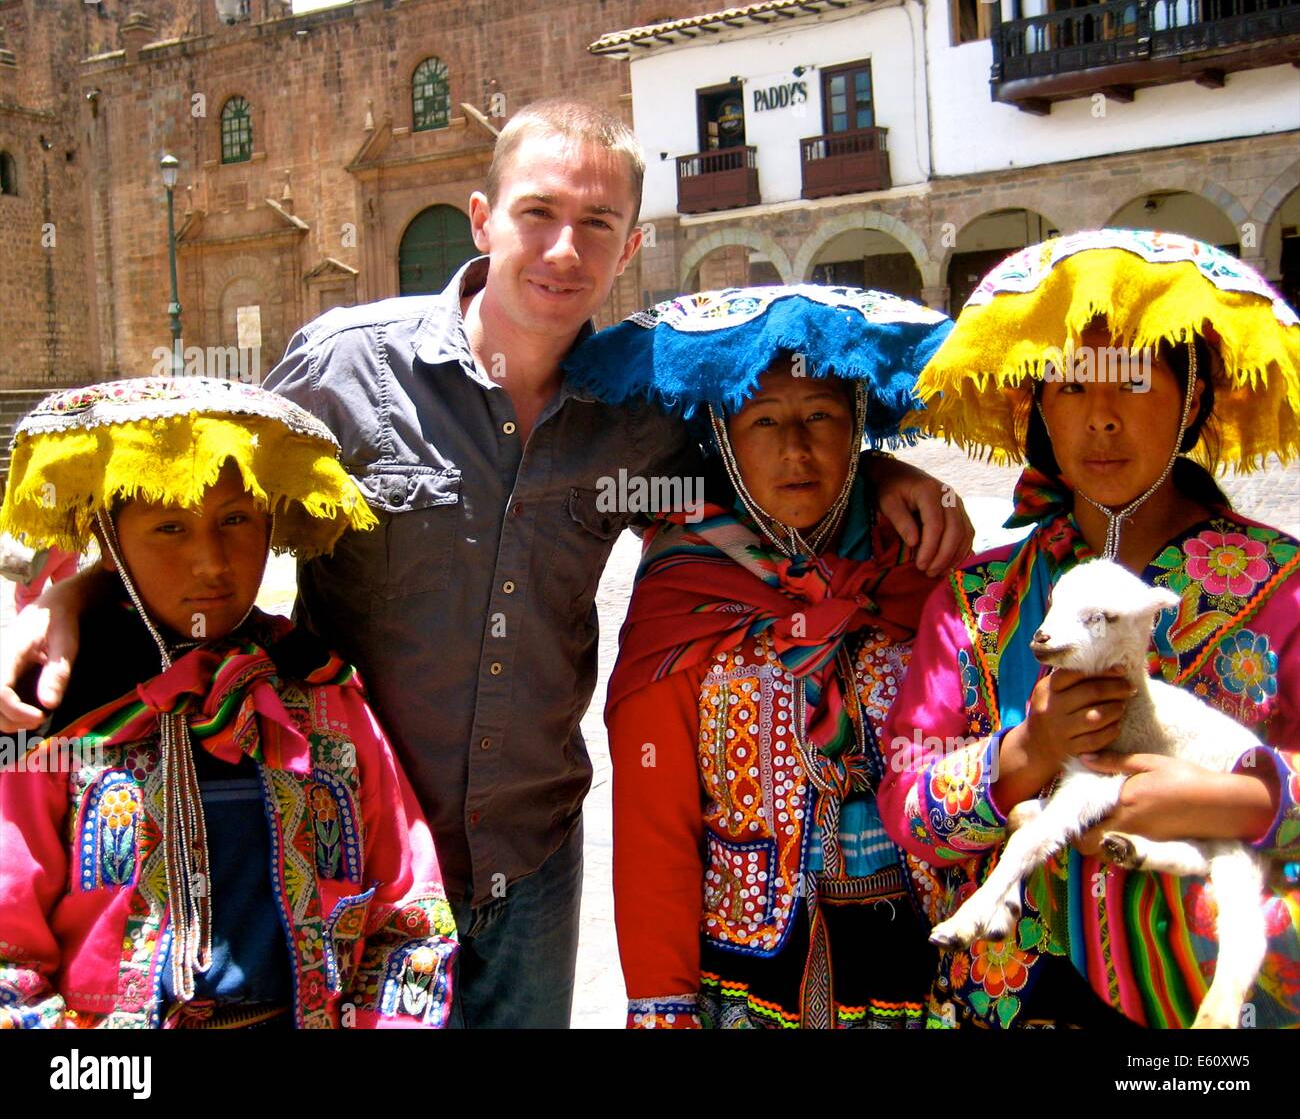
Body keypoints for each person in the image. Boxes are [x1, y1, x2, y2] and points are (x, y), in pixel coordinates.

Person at [0, 100, 971, 1028]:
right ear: (482, 219)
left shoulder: (638, 416)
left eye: (597, 224)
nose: (563, 250)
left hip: (531, 860)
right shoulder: (345, 369)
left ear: (630, 246)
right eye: (537, 213)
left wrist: (879, 467)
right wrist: (76, 594)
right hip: (357, 853)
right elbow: (210, 486)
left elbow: (764, 470)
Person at [878, 229, 1300, 1028]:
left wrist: (1234, 799)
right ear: (1034, 405)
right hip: (1011, 1001)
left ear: (1195, 398)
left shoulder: (1284, 591)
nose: (1101, 418)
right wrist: (1025, 753)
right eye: (1070, 387)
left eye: (1134, 383)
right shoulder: (976, 603)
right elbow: (907, 804)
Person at [0, 377, 458, 1029]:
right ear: (111, 541)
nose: (210, 561)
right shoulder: (55, 719)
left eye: (236, 520)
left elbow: (409, 914)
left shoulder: (323, 696)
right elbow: (7, 952)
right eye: (169, 527)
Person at [563, 285, 959, 1027]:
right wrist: (662, 1006)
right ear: (724, 439)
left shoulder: (919, 571)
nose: (795, 449)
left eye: (821, 417)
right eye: (765, 421)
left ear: (859, 431)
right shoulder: (683, 597)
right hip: (746, 976)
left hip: (924, 964)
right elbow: (655, 833)